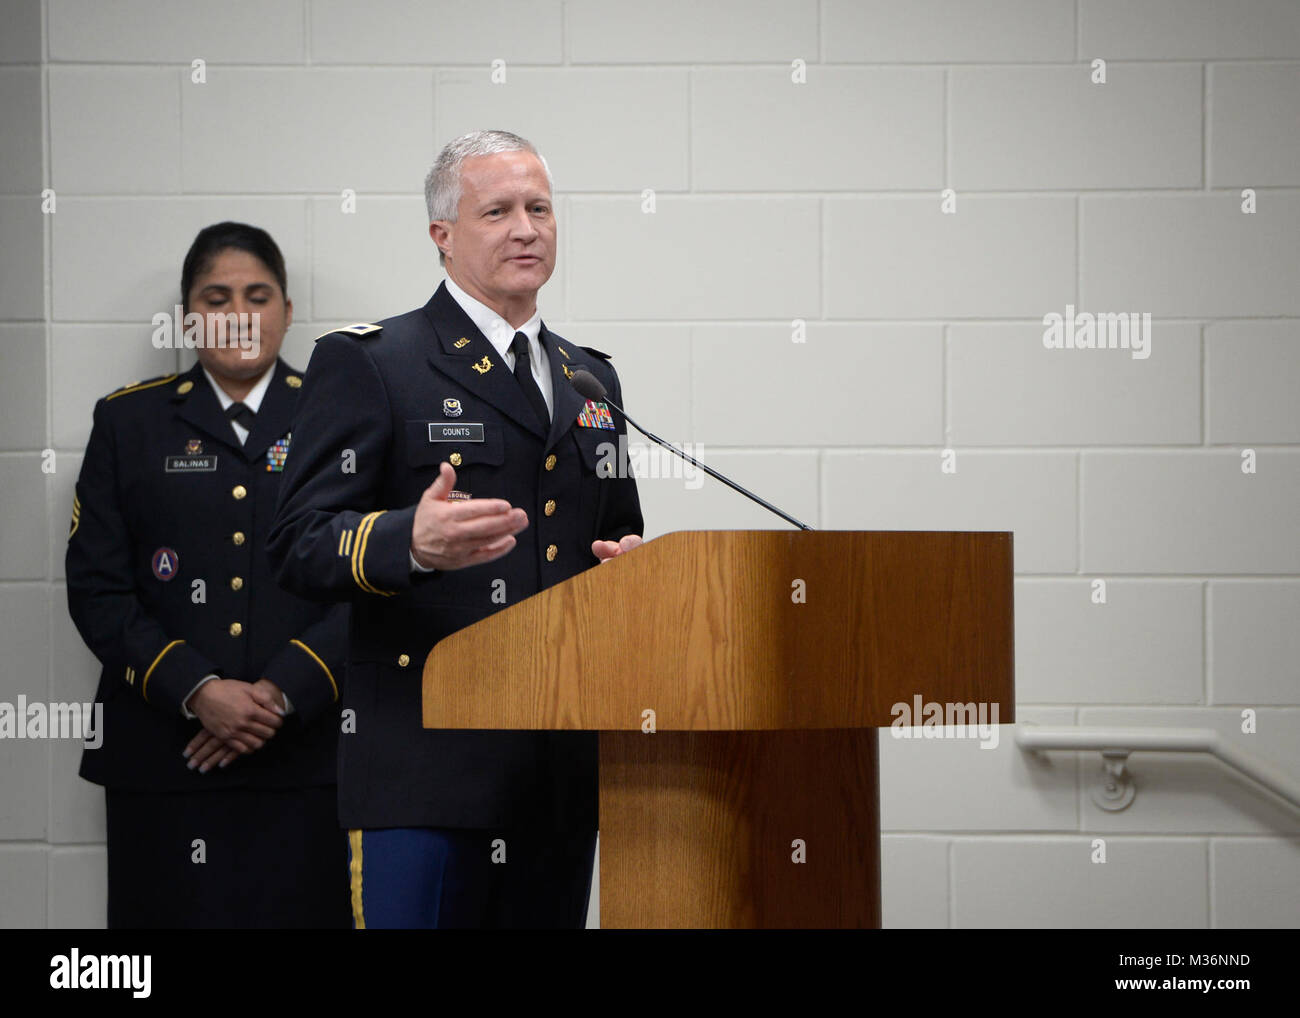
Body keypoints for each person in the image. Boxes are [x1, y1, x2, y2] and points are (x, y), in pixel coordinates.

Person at [267, 130, 644, 929]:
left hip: (559, 771)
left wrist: (632, 572)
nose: (526, 229)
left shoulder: (590, 378)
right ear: (442, 235)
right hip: (426, 770)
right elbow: (297, 541)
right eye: (498, 211)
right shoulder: (374, 361)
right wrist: (409, 540)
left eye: (539, 209)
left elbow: (616, 529)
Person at [66, 221, 350, 928]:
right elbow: (97, 589)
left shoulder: (339, 419)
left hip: (306, 759)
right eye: (216, 298)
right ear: (188, 316)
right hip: (163, 759)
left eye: (258, 296)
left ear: (286, 310)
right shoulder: (128, 423)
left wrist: (283, 691)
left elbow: (369, 582)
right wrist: (195, 688)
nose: (239, 315)